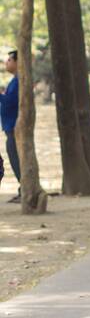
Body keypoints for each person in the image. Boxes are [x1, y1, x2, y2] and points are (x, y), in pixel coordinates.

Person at [1, 50, 20, 203]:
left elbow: (11, 102)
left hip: (15, 128)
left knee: (17, 160)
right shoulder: (14, 81)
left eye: (9, 60)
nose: (6, 63)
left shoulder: (19, 82)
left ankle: (25, 189)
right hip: (9, 128)